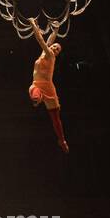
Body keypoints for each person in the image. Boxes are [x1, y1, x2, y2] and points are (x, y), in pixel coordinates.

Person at [28, 17, 69, 153]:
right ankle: (37, 99)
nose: (54, 47)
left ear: (56, 54)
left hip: (48, 87)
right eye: (54, 46)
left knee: (55, 117)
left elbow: (41, 40)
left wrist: (33, 24)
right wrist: (56, 29)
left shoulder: (50, 55)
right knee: (34, 92)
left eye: (57, 49)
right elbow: (49, 40)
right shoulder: (44, 54)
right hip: (37, 85)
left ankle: (61, 140)